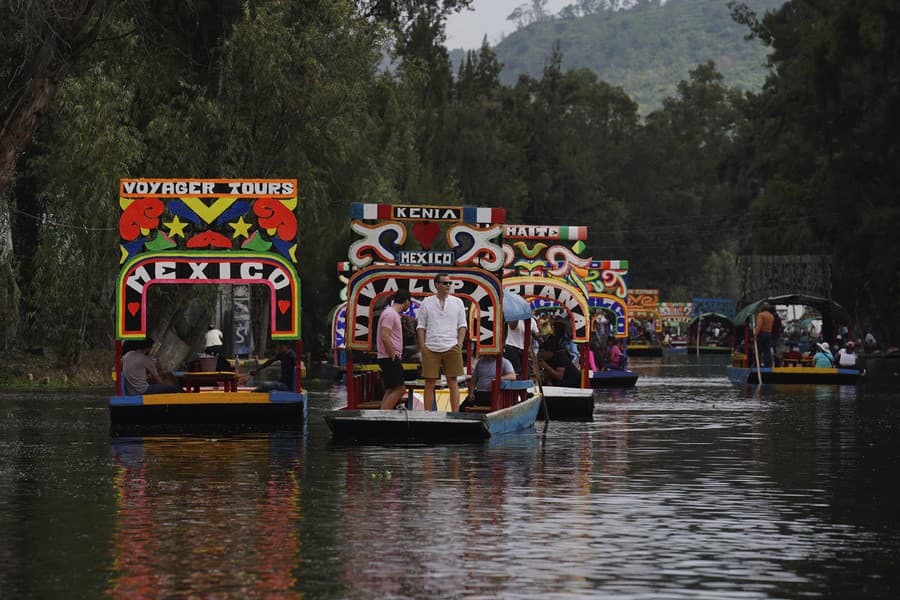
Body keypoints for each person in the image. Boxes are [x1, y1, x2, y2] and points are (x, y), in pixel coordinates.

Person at [416, 274, 467, 411]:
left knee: (453, 381)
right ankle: (427, 413)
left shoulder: (458, 302)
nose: (448, 285)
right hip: (431, 346)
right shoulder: (427, 302)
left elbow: (462, 325)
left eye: (450, 283)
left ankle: (455, 413)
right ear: (436, 285)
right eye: (445, 283)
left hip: (452, 345)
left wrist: (459, 343)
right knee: (430, 382)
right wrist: (423, 347)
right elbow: (421, 326)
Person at [377, 289, 412, 409]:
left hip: (387, 357)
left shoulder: (391, 313)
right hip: (389, 357)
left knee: (391, 389)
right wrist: (393, 355)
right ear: (406, 301)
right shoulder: (390, 314)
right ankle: (383, 415)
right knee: (400, 389)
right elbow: (384, 335)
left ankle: (381, 414)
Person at [753, 302, 775, 367]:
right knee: (767, 350)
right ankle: (768, 364)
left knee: (759, 350)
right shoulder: (771, 316)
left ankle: (758, 364)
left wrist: (755, 334)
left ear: (762, 308)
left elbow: (759, 326)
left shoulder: (761, 315)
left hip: (761, 333)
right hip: (769, 334)